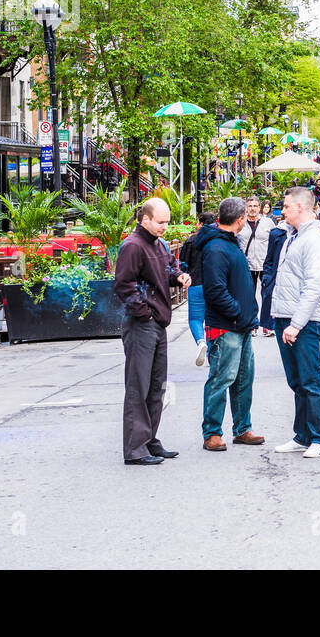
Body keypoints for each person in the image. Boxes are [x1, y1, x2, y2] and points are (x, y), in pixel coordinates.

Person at [113, 197, 190, 466]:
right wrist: (144, 312)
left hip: (155, 321)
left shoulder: (158, 243)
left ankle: (148, 440)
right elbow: (123, 285)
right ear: (145, 219)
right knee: (139, 386)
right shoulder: (132, 246)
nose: (164, 227)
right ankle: (136, 447)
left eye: (167, 222)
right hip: (142, 323)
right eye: (160, 222)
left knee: (156, 386)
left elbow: (168, 268)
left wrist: (178, 275)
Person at [270, 186, 320, 458]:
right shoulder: (292, 237)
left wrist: (296, 324)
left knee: (310, 379)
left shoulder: (316, 240)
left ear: (300, 207)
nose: (282, 210)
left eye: (285, 206)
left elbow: (314, 285)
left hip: (303, 320)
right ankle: (303, 435)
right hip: (285, 315)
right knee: (297, 380)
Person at [199, 197, 265, 452]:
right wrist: (238, 312)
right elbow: (215, 291)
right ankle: (212, 432)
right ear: (239, 220)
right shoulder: (217, 248)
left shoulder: (229, 243)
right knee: (221, 378)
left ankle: (242, 428)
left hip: (241, 324)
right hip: (227, 326)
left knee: (243, 379)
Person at [179, 212, 219, 368]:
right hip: (214, 286)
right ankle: (211, 354)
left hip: (195, 284)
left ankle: (201, 342)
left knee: (195, 319)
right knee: (212, 320)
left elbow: (183, 265)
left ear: (201, 224)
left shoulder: (191, 241)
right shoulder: (218, 240)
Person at [258, 211, 289, 338]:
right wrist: (267, 275)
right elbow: (269, 257)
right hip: (275, 273)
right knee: (269, 297)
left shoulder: (305, 234)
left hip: (292, 277)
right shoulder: (276, 233)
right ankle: (268, 325)